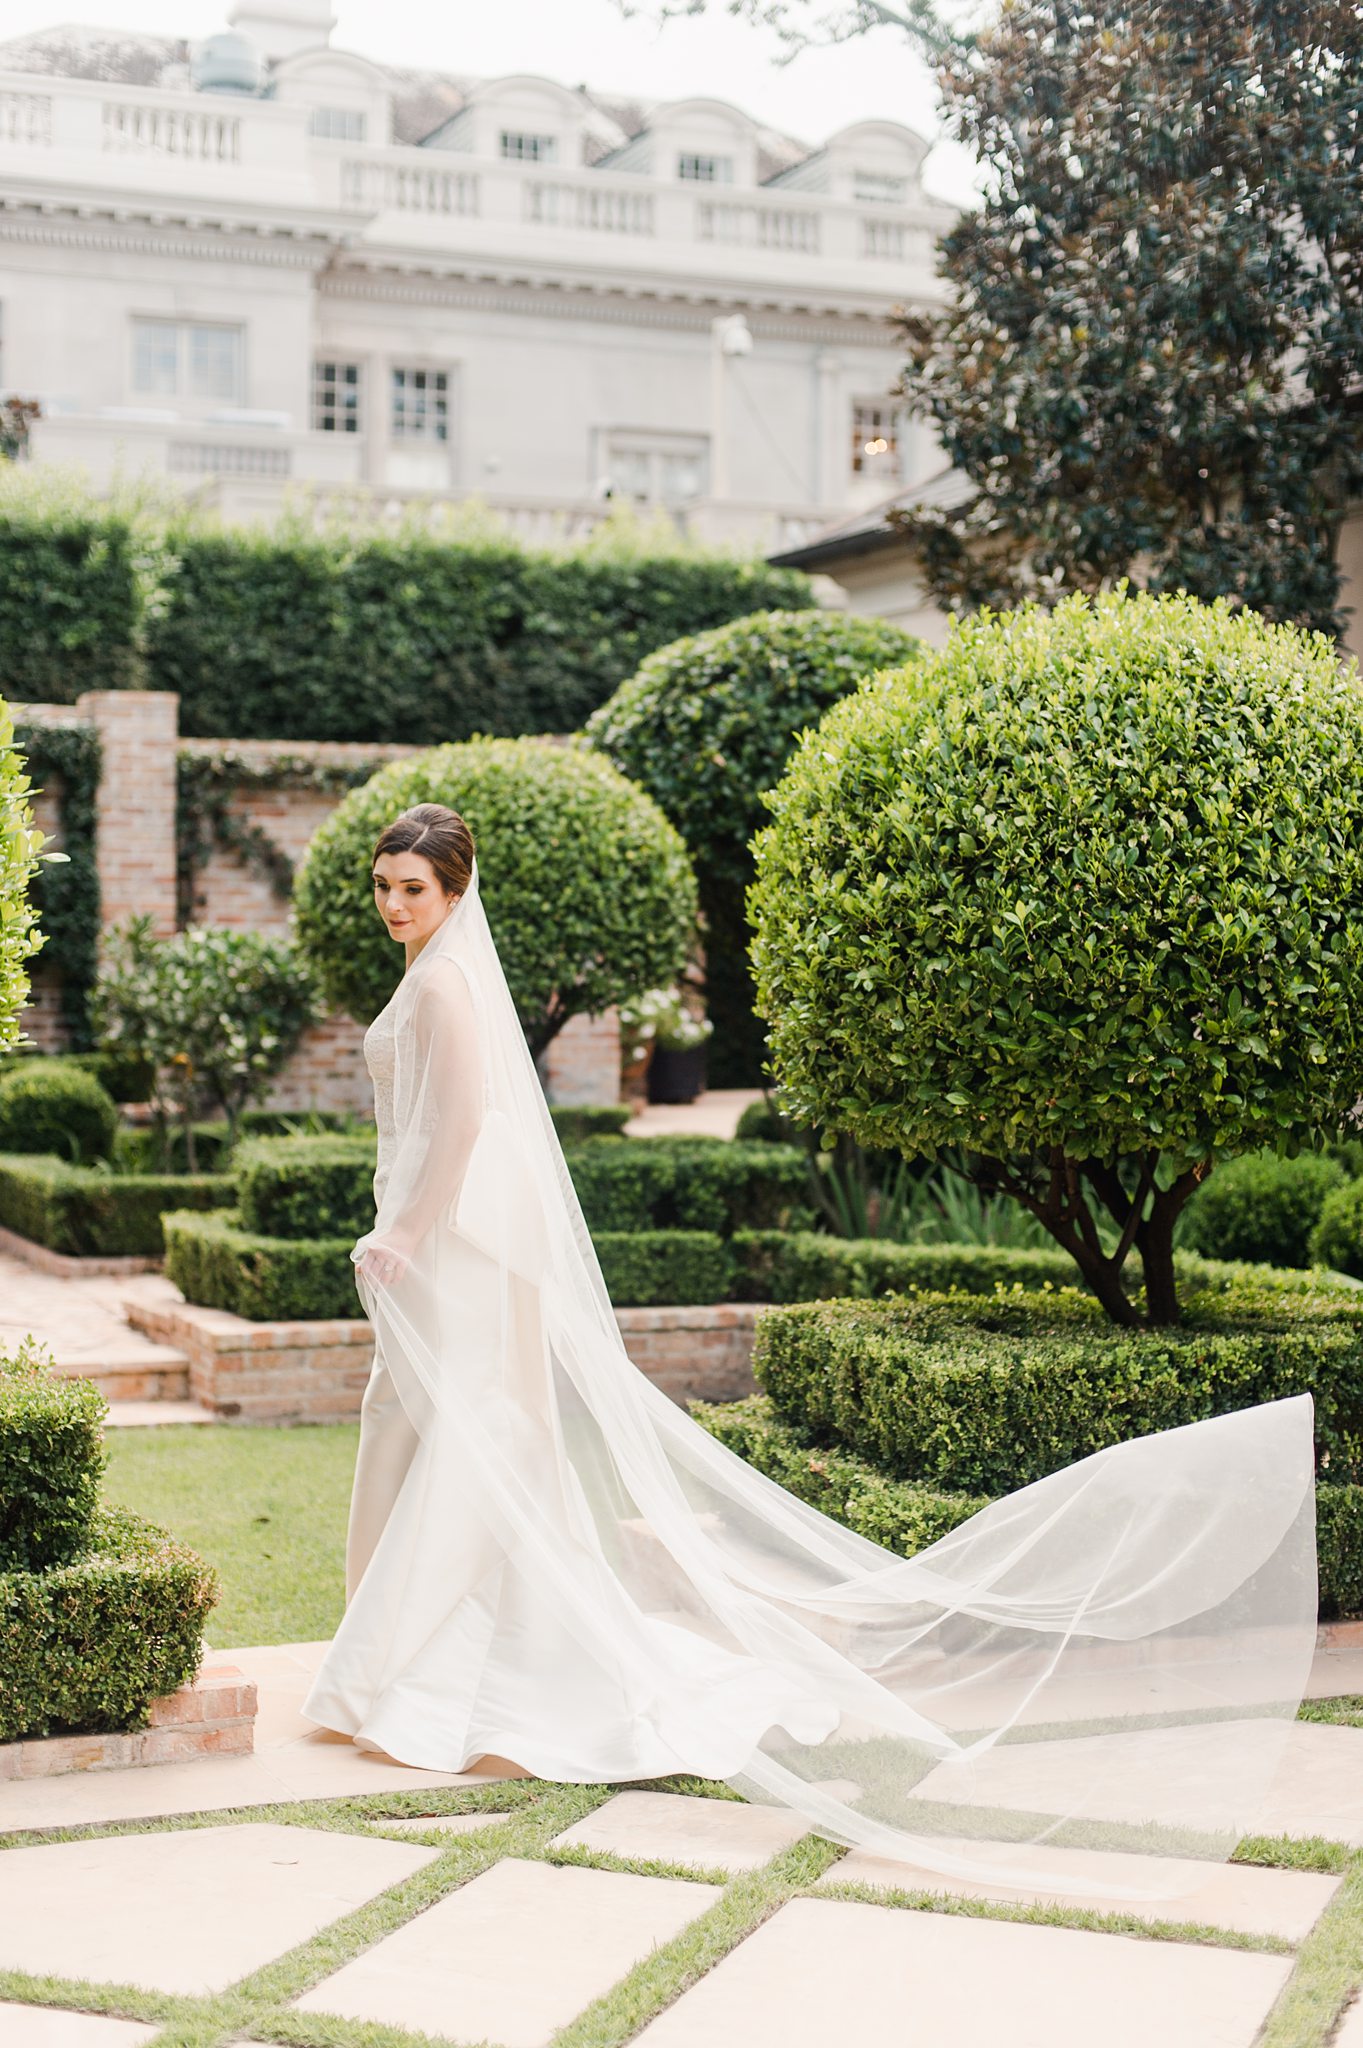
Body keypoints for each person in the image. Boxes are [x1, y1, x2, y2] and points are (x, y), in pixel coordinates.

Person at [302, 802, 1318, 1902]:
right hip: (440, 1242)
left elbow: (457, 1124)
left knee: (463, 1439)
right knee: (419, 1425)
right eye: (384, 885)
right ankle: (397, 1656)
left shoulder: (448, 984)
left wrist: (405, 1229)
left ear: (456, 891)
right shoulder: (433, 975)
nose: (394, 904)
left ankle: (403, 1667)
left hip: (449, 1245)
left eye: (412, 887)